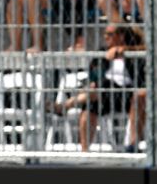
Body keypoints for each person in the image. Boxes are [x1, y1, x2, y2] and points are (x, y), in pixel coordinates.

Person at [50, 24, 145, 152]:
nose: (105, 37)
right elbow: (93, 73)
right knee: (90, 106)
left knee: (101, 87)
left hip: (126, 93)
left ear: (121, 36)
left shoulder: (133, 52)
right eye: (104, 34)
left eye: (109, 34)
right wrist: (95, 80)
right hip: (104, 94)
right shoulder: (102, 53)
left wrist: (125, 50)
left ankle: (66, 105)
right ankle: (84, 151)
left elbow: (147, 54)